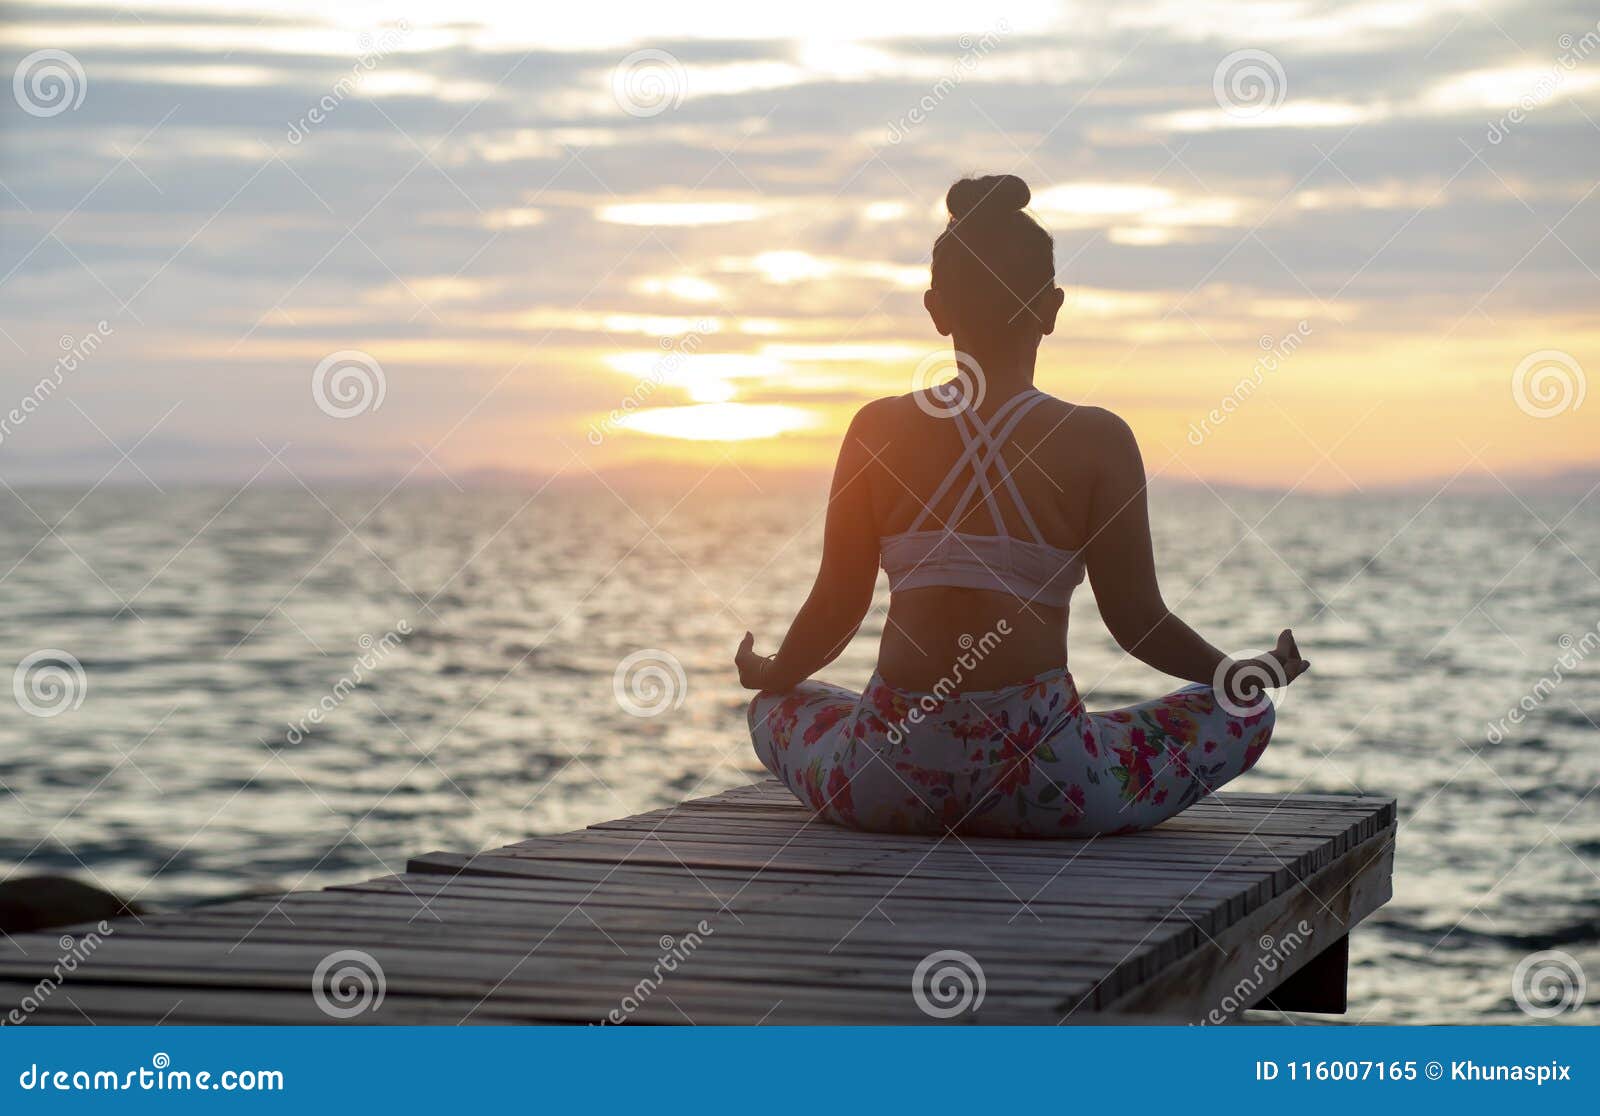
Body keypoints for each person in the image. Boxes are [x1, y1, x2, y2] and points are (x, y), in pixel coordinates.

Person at [734, 173, 1310, 837]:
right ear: (1052, 307)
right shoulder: (1100, 440)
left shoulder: (876, 430)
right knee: (1246, 711)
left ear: (936, 309)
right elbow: (1137, 621)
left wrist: (775, 672)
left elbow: (838, 606)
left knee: (776, 707)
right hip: (1048, 786)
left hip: (887, 780)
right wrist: (1237, 672)